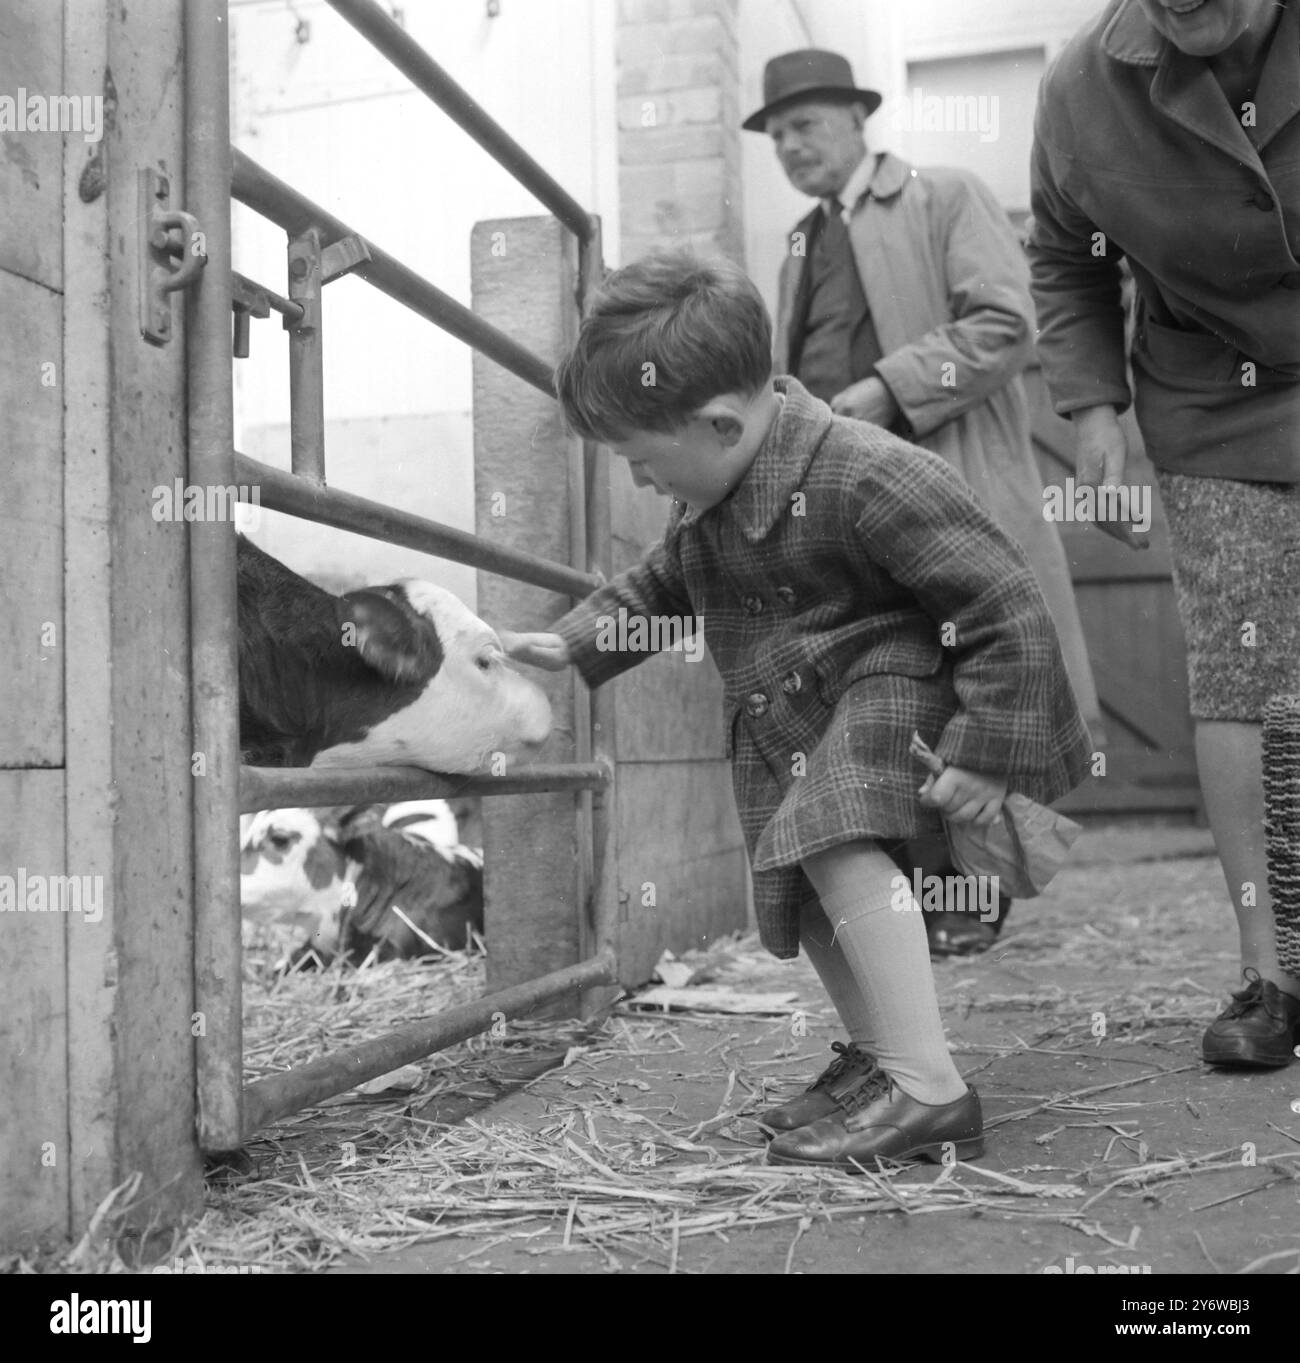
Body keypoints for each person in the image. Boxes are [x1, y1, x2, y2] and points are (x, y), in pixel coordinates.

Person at [504, 252, 1091, 1167]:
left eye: (640, 461)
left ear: (720, 421)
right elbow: (662, 589)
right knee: (799, 876)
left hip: (897, 694)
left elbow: (1004, 601)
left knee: (829, 833)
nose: (640, 482)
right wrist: (575, 641)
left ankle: (933, 1092)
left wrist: (986, 751)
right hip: (792, 725)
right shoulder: (711, 498)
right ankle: (883, 1060)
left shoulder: (868, 472)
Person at [745, 48, 1103, 956]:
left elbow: (1006, 324)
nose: (790, 145)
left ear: (856, 121)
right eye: (777, 132)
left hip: (943, 478)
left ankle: (973, 888)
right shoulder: (799, 248)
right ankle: (900, 894)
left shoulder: (944, 195)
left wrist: (882, 391)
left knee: (970, 675)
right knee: (883, 682)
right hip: (840, 504)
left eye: (806, 124)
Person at [1028, 0, 1300, 1068]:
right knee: (1244, 667)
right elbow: (1063, 253)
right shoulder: (1081, 88)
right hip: (1212, 395)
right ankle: (1271, 970)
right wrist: (1092, 401)